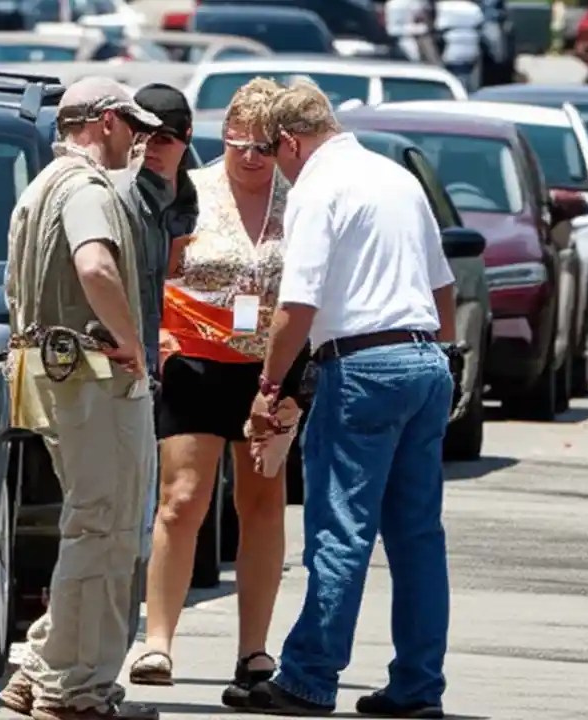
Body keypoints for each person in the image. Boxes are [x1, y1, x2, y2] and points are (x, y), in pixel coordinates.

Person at [244, 78, 456, 718]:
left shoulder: (318, 186)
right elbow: (443, 288)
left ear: (291, 141)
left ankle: (309, 676)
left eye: (273, 152)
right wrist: (436, 353)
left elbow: (297, 305)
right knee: (418, 536)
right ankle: (418, 686)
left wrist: (269, 386)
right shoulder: (395, 177)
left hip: (362, 368)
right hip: (424, 359)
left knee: (340, 531)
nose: (277, 169)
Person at [126, 77, 306, 708]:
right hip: (195, 361)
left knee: (262, 504)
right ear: (220, 139)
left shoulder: (300, 200)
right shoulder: (191, 193)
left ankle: (254, 648)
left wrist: (295, 380)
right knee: (182, 500)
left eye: (263, 146)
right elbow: (153, 269)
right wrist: (155, 334)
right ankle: (157, 642)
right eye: (237, 144)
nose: (251, 158)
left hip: (270, 370)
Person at [0, 75, 164, 720]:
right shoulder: (87, 187)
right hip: (92, 375)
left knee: (90, 524)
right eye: (133, 125)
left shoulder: (40, 184)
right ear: (103, 122)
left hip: (50, 372)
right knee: (106, 529)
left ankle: (43, 666)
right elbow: (95, 265)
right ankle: (77, 690)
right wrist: (131, 344)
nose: (139, 140)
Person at [113, 83, 198, 581]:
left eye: (164, 136)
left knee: (179, 491)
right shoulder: (121, 196)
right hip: (135, 357)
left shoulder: (203, 200)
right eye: (142, 134)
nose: (153, 146)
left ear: (186, 137)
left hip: (191, 357)